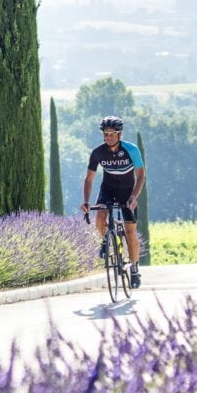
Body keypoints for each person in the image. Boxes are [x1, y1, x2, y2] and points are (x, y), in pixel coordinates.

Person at [80, 116, 146, 289]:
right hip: (107, 189)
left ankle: (135, 269)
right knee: (100, 217)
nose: (108, 137)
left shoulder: (131, 149)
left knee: (130, 230)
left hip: (127, 192)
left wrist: (133, 197)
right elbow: (89, 179)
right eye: (105, 134)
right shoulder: (98, 153)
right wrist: (86, 201)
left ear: (119, 134)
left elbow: (140, 176)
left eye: (111, 134)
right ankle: (106, 240)